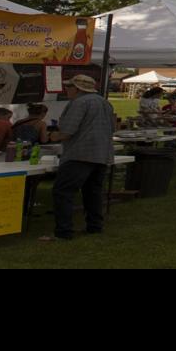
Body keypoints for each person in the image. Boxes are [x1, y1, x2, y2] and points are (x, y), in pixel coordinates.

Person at [42, 76, 116, 241]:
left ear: (78, 89)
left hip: (80, 154)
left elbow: (68, 131)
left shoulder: (79, 103)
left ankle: (63, 231)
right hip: (101, 154)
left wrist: (53, 136)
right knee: (93, 192)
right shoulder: (104, 102)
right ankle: (95, 226)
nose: (67, 90)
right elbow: (113, 127)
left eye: (69, 87)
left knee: (63, 192)